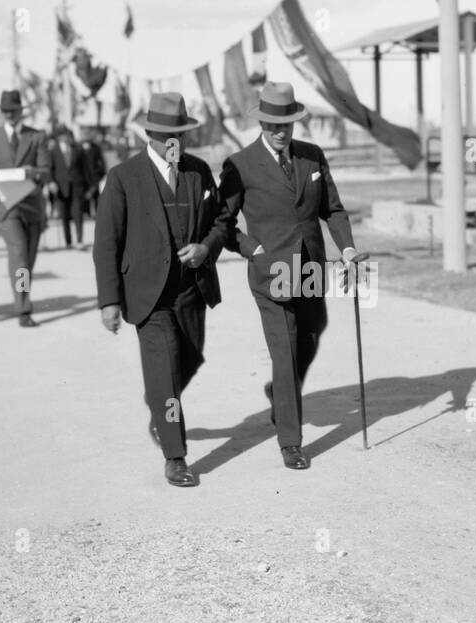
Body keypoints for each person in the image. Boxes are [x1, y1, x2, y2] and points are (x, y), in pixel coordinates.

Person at [216, 82, 359, 470]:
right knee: (285, 349)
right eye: (273, 125)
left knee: (311, 334)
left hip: (311, 265)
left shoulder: (312, 157)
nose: (281, 132)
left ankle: (280, 394)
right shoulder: (240, 165)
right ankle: (291, 441)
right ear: (261, 122)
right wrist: (251, 249)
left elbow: (334, 210)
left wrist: (346, 249)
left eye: (287, 124)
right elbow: (223, 224)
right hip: (272, 270)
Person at [93, 93, 224, 488]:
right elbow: (106, 243)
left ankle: (158, 402)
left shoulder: (199, 172)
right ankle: (176, 456)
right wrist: (109, 301)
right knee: (165, 378)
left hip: (192, 292)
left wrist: (206, 248)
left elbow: (220, 220)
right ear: (150, 133)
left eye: (180, 133)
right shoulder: (123, 178)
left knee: (191, 359)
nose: (174, 141)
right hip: (148, 297)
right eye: (167, 134)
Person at [0, 90, 50, 327]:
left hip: (32, 205)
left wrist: (33, 173)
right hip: (7, 207)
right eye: (5, 111)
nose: (9, 115)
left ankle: (23, 295)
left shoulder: (37, 136)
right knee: (19, 256)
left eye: (13, 111)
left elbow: (45, 170)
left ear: (21, 111)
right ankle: (23, 308)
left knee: (28, 261)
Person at [49, 126, 92, 250]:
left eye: (67, 135)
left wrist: (89, 187)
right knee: (65, 216)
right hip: (61, 189)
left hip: (77, 188)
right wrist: (51, 182)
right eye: (63, 135)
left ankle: (79, 240)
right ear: (58, 137)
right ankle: (68, 241)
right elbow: (50, 169)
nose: (66, 137)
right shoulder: (54, 151)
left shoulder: (78, 149)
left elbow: (85, 169)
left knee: (78, 214)